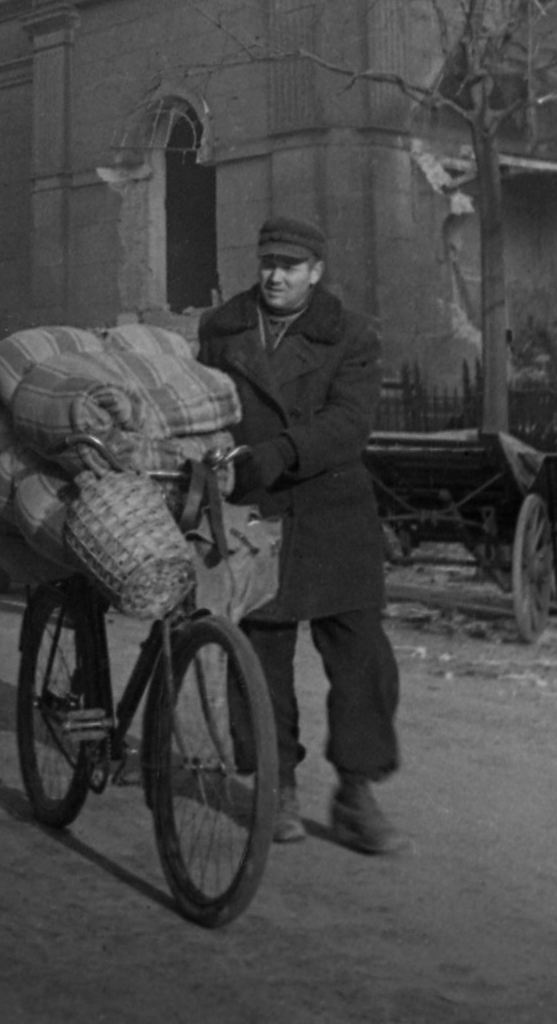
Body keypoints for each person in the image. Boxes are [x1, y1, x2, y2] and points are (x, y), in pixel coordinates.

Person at [198, 214, 403, 855]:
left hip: (335, 513)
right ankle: (276, 786)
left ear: (316, 271)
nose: (275, 275)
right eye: (268, 263)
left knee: (363, 660)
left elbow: (348, 425)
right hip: (259, 515)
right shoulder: (224, 328)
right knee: (260, 656)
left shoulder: (352, 335)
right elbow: (206, 408)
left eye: (290, 265)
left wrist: (279, 451)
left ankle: (356, 793)